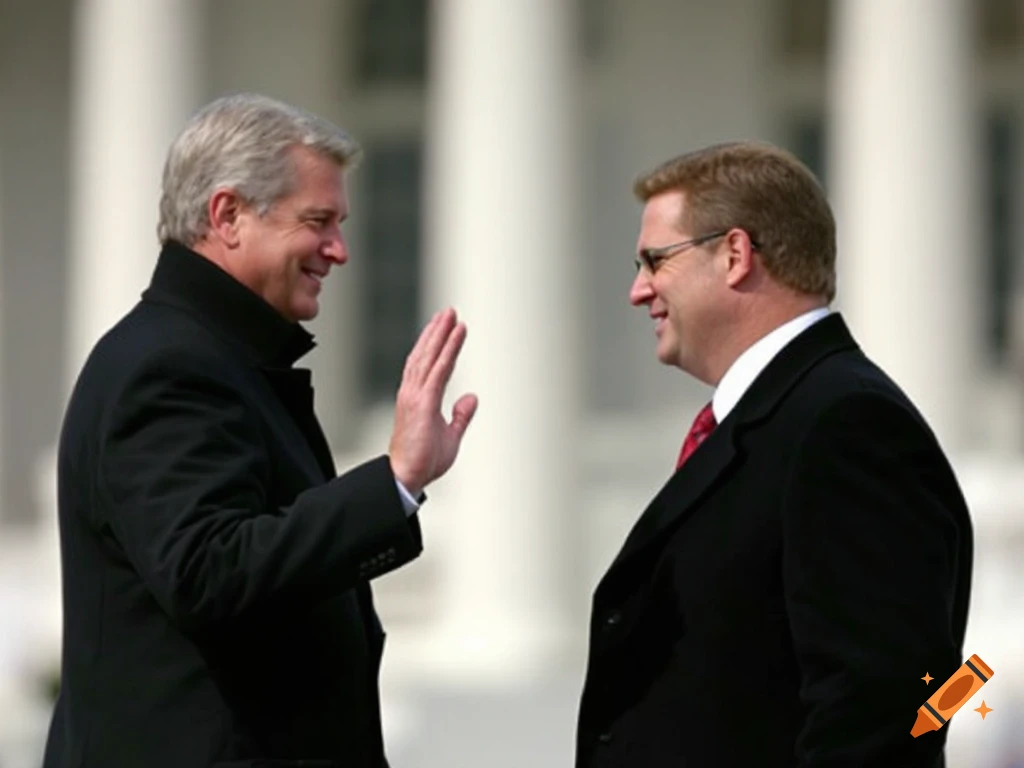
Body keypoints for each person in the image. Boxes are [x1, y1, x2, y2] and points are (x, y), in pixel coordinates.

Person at [42, 93, 477, 768]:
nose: (339, 249)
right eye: (318, 221)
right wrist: (395, 479)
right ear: (228, 215)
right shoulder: (169, 366)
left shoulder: (221, 359)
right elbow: (207, 573)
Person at [575, 142, 972, 767]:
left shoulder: (847, 425)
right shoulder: (787, 419)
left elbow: (886, 711)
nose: (637, 291)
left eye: (655, 261)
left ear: (735, 254)